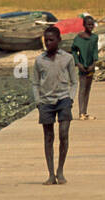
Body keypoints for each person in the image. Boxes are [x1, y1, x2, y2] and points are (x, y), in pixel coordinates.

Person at [31, 25, 78, 185]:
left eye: (51, 40)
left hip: (64, 99)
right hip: (45, 102)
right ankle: (51, 174)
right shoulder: (39, 60)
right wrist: (38, 101)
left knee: (63, 134)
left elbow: (74, 81)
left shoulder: (67, 58)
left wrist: (71, 99)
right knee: (48, 137)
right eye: (46, 40)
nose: (48, 43)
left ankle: (60, 170)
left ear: (59, 40)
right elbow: (35, 83)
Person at [70, 14, 99, 120]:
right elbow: (73, 50)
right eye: (88, 24)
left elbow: (95, 50)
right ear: (84, 25)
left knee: (88, 89)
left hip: (90, 66)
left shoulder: (94, 37)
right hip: (82, 66)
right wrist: (78, 63)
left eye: (92, 24)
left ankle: (85, 112)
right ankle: (80, 112)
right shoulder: (78, 38)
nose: (90, 26)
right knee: (82, 89)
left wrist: (94, 63)